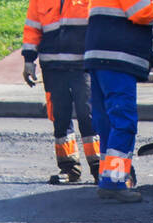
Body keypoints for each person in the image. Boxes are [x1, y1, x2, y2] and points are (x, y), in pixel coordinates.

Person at [84, 0, 153, 202]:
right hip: (117, 61)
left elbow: (119, 24)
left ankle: (107, 178)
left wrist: (152, 60)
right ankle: (114, 182)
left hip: (99, 57)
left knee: (107, 122)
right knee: (123, 121)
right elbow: (141, 12)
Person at [23, 0, 101, 183]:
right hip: (53, 68)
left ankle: (98, 167)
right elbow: (32, 28)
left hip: (83, 66)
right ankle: (69, 168)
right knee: (60, 116)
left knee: (88, 114)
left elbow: (101, 24)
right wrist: (28, 60)